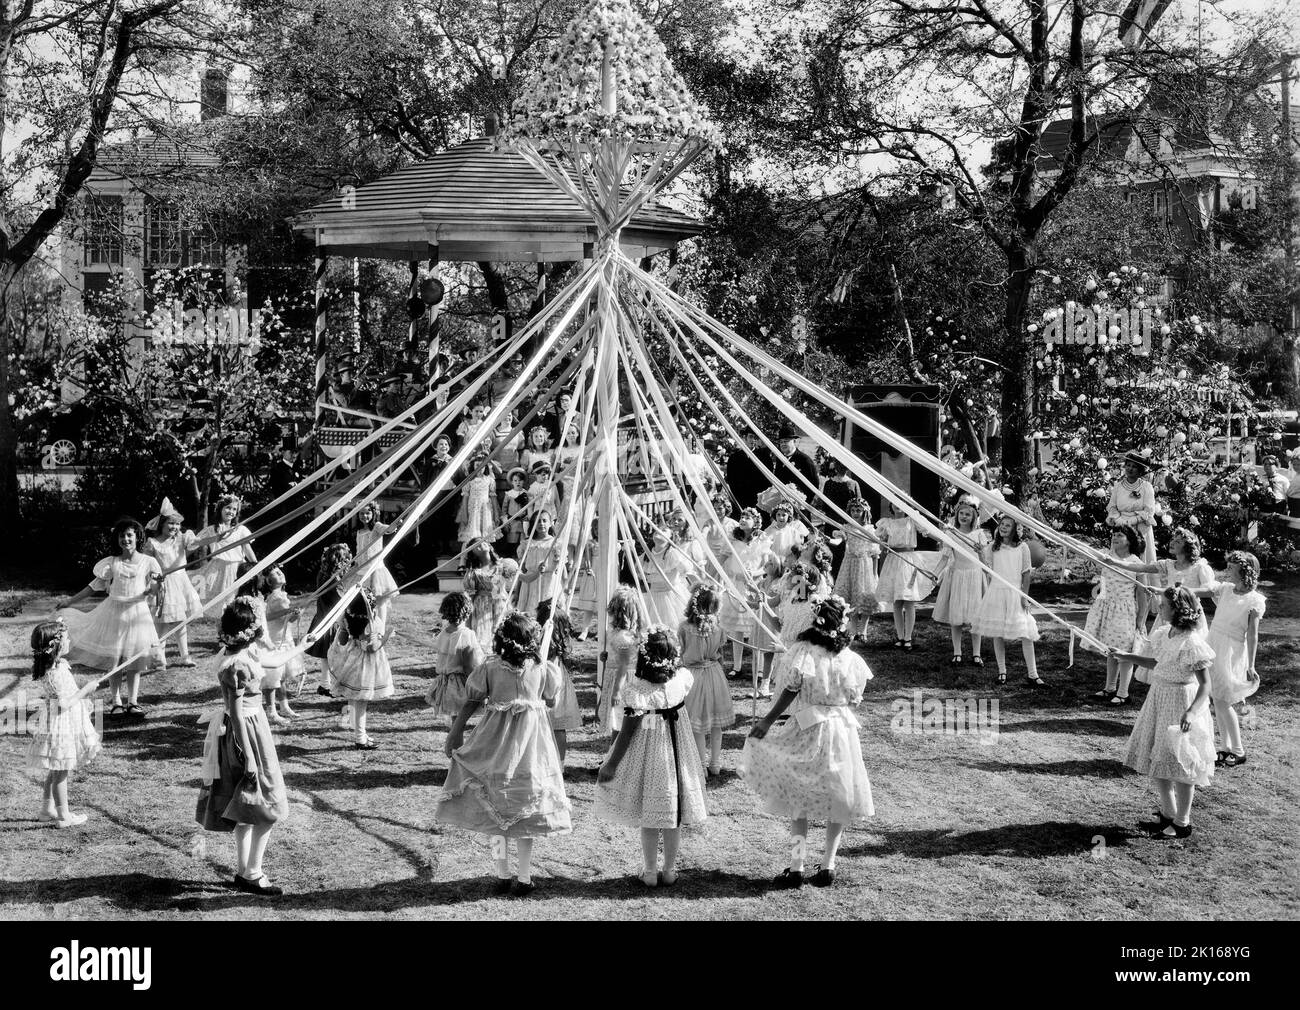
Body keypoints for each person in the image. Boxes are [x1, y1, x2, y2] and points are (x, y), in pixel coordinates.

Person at [434, 611, 573, 897]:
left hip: (494, 746)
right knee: (523, 812)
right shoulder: (543, 668)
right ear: (531, 641)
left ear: (501, 640)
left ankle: (503, 873)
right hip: (531, 750)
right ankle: (523, 876)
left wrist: (456, 731)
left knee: (495, 810)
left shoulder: (491, 667)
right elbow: (551, 700)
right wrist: (545, 672)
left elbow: (472, 701)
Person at [742, 595, 873, 888]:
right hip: (842, 731)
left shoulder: (804, 651)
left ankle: (797, 865)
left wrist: (767, 720)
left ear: (815, 620)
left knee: (799, 796)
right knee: (838, 795)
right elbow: (855, 700)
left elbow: (790, 689)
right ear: (842, 623)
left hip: (809, 727)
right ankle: (828, 865)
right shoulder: (850, 658)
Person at [196, 598, 297, 895]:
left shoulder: (236, 653)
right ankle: (252, 872)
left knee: (245, 804)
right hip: (246, 733)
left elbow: (275, 661)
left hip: (247, 729)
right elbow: (238, 714)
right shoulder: (237, 665)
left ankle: (244, 870)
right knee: (265, 804)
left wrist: (304, 645)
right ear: (251, 631)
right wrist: (250, 757)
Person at [597, 626, 708, 887]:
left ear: (644, 657)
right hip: (677, 754)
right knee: (672, 816)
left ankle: (649, 871)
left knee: (650, 814)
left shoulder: (638, 689)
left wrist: (612, 763)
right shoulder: (681, 679)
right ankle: (669, 870)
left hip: (650, 756)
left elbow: (627, 731)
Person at [1115, 587, 1215, 840]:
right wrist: (1127, 655)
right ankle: (1169, 813)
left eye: (1164, 606)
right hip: (1158, 698)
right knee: (1156, 755)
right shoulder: (1164, 634)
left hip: (1181, 701)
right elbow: (1157, 663)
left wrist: (1192, 713)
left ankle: (1183, 822)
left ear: (1179, 610)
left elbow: (1206, 686)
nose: (1159, 609)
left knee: (1181, 762)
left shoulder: (1192, 643)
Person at [60, 518, 162, 717]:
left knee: (134, 660)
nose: (125, 539)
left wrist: (155, 585)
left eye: (129, 535)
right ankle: (116, 701)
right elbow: (93, 587)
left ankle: (133, 701)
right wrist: (70, 602)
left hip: (137, 614)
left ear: (138, 537)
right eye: (122, 536)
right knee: (114, 659)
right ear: (117, 539)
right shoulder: (112, 563)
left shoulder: (149, 562)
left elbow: (155, 591)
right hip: (113, 612)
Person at [28, 620, 101, 828]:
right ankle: (64, 817)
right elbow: (64, 703)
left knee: (55, 769)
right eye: (66, 638)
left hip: (60, 722)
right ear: (56, 645)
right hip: (61, 725)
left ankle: (46, 809)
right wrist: (86, 690)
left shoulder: (54, 665)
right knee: (61, 772)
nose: (69, 640)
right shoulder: (55, 671)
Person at [1198, 552, 1265, 768]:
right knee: (1217, 699)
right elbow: (1204, 590)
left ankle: (1238, 750)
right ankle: (1225, 747)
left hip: (1232, 650)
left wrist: (1251, 664)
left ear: (1244, 572)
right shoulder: (1226, 590)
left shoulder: (1254, 600)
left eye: (1232, 569)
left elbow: (1252, 635)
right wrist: (1179, 590)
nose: (1227, 572)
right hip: (1214, 643)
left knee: (1224, 701)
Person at [971, 516, 1042, 685]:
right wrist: (980, 554)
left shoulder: (1022, 547)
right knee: (998, 632)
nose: (1003, 527)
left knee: (1025, 632)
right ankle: (1002, 671)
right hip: (996, 592)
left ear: (1014, 528)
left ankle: (1033, 674)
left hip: (1015, 592)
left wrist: (1024, 597)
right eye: (1002, 524)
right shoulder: (992, 547)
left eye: (1008, 525)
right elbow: (987, 569)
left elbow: (1026, 574)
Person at [1083, 527, 1143, 705]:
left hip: (1124, 611)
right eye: (1113, 535)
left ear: (1129, 540)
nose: (1115, 537)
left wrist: (1140, 620)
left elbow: (1142, 593)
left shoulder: (1135, 562)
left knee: (1123, 653)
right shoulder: (1106, 556)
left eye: (1120, 535)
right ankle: (1109, 688)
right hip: (1106, 607)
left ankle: (1123, 693)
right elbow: (1085, 551)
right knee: (1110, 650)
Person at [680, 585, 734, 778]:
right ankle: (715, 763)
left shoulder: (685, 628)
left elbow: (681, 653)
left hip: (693, 676)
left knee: (699, 723)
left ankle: (701, 765)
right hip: (714, 674)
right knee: (714, 723)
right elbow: (720, 655)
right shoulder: (718, 628)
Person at [329, 591, 393, 750]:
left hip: (351, 660)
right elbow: (372, 648)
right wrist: (387, 636)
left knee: (353, 697)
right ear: (370, 606)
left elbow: (343, 641)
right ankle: (360, 738)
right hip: (366, 666)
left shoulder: (346, 617)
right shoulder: (373, 623)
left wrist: (344, 629)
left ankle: (359, 732)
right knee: (361, 702)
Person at [144, 497, 202, 669]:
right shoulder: (152, 543)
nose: (174, 527)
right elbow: (147, 565)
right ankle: (159, 658)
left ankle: (185, 656)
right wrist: (153, 580)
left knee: (180, 622)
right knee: (161, 624)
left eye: (177, 524)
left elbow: (200, 542)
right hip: (163, 585)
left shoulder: (182, 539)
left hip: (181, 583)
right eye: (170, 523)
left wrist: (218, 537)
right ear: (161, 524)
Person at [1106, 451, 1158, 629]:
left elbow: (1149, 510)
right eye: (1127, 465)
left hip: (1139, 529)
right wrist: (1119, 520)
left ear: (1140, 469)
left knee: (1140, 567)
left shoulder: (1146, 487)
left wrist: (1132, 521)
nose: (1129, 469)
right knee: (1120, 565)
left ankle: (1144, 608)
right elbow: (1112, 506)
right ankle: (1117, 604)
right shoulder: (1118, 486)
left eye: (1134, 466)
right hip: (1121, 529)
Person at [874, 502, 927, 651]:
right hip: (893, 560)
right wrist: (883, 543)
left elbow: (926, 530)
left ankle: (908, 637)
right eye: (895, 503)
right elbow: (878, 539)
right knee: (897, 601)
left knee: (908, 600)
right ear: (891, 505)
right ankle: (900, 636)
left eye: (901, 503)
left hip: (908, 560)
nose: (898, 506)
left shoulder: (912, 520)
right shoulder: (887, 523)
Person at [426, 592, 484, 721]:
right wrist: (478, 684)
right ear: (467, 612)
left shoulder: (443, 634)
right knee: (460, 719)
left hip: (445, 682)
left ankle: (454, 737)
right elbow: (470, 664)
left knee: (455, 718)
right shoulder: (466, 634)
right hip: (460, 682)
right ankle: (456, 739)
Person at [538, 600, 582, 765]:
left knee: (552, 726)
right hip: (559, 683)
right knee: (557, 728)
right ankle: (558, 762)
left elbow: (548, 670)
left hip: (551, 685)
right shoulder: (559, 642)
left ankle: (557, 763)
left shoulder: (546, 644)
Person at [305, 543, 352, 698]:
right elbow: (341, 600)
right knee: (332, 655)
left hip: (322, 619)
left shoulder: (323, 574)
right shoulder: (334, 580)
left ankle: (325, 684)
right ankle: (328, 685)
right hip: (330, 622)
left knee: (327, 656)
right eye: (345, 560)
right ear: (340, 561)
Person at [257, 567, 302, 722]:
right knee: (273, 678)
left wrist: (295, 614)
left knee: (281, 677)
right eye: (275, 574)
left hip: (283, 639)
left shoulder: (279, 596)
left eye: (279, 571)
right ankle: (271, 710)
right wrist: (290, 613)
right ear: (269, 581)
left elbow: (286, 619)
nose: (280, 573)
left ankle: (284, 706)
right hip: (276, 641)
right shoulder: (277, 597)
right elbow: (270, 617)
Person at [194, 495, 257, 606]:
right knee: (218, 602)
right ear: (220, 509)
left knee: (234, 600)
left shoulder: (240, 529)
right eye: (228, 507)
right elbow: (195, 543)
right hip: (217, 568)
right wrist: (215, 538)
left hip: (236, 568)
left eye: (234, 509)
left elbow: (247, 549)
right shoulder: (211, 530)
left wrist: (256, 565)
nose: (231, 511)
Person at [834, 497, 880, 646]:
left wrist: (875, 572)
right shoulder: (847, 527)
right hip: (849, 564)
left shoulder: (869, 529)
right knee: (851, 595)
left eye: (858, 510)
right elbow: (839, 540)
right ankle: (853, 628)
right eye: (853, 510)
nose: (855, 513)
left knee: (866, 595)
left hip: (865, 564)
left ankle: (863, 629)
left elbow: (875, 553)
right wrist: (831, 538)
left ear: (864, 511)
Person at [599, 584, 644, 735]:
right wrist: (609, 656)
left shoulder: (624, 637)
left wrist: (616, 692)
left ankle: (617, 753)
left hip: (623, 681)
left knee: (620, 721)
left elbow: (624, 665)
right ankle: (614, 753)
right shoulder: (618, 633)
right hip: (614, 676)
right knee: (616, 722)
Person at [355, 503, 402, 624]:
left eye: (367, 513)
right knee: (365, 600)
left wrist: (396, 523)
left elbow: (388, 529)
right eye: (361, 513)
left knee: (380, 600)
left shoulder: (376, 526)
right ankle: (369, 625)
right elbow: (359, 549)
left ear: (373, 513)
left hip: (375, 570)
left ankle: (380, 629)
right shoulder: (359, 531)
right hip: (362, 570)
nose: (364, 516)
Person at [516, 508, 562, 619]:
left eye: (544, 520)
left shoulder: (555, 543)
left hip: (548, 581)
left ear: (551, 523)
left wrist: (556, 561)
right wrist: (518, 588)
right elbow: (522, 566)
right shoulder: (527, 543)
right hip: (530, 582)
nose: (541, 524)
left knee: (547, 611)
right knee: (530, 612)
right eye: (538, 521)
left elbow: (560, 567)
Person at [463, 540, 506, 651]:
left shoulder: (501, 565)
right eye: (475, 546)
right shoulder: (474, 572)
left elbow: (523, 578)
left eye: (482, 541)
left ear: (489, 545)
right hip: (482, 605)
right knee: (483, 633)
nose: (480, 545)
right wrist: (469, 616)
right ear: (473, 553)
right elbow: (470, 594)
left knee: (500, 630)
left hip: (499, 603)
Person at [457, 450, 501, 548]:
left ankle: (487, 556)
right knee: (471, 534)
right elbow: (465, 498)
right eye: (477, 465)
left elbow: (493, 498)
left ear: (485, 467)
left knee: (485, 534)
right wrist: (464, 513)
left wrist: (496, 514)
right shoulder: (469, 481)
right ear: (473, 466)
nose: (479, 468)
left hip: (486, 509)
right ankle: (463, 559)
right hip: (473, 510)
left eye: (482, 466)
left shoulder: (490, 480)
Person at [725, 430, 771, 511]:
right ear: (744, 438)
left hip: (758, 501)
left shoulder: (764, 457)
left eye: (755, 437)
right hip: (739, 500)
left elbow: (768, 481)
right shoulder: (734, 458)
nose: (753, 440)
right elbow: (731, 479)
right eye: (751, 437)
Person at [500, 467, 531, 559]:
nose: (518, 482)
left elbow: (529, 507)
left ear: (523, 481)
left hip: (523, 522)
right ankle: (511, 557)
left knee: (522, 542)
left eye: (520, 480)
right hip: (512, 521)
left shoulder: (526, 493)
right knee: (512, 541)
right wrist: (505, 521)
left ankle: (521, 558)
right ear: (512, 482)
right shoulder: (509, 494)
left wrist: (528, 517)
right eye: (515, 480)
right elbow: (504, 509)